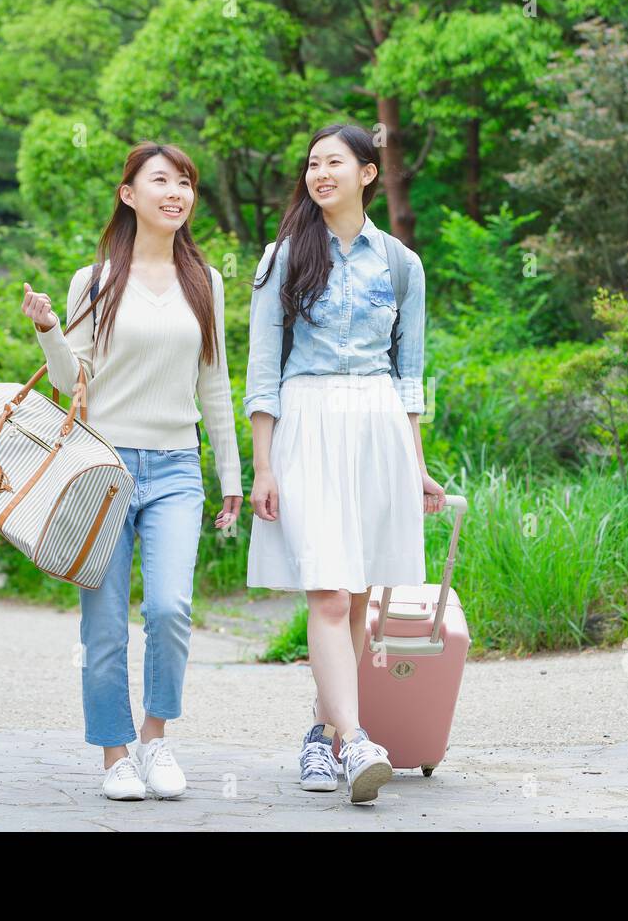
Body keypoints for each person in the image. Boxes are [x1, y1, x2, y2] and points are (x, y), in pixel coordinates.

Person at [21, 141, 244, 801]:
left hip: (177, 468)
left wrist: (230, 476)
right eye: (160, 181)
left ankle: (156, 739)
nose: (176, 192)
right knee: (106, 623)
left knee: (172, 609)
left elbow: (215, 384)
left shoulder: (206, 282)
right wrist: (48, 332)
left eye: (185, 182)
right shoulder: (94, 281)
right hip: (103, 470)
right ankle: (115, 754)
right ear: (129, 195)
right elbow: (73, 383)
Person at [244, 123, 446, 804]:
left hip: (378, 426)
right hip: (308, 424)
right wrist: (262, 467)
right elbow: (262, 372)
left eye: (333, 162)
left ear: (367, 172)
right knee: (327, 592)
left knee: (356, 596)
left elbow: (410, 375)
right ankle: (358, 740)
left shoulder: (402, 265)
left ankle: (322, 736)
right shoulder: (281, 259)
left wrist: (417, 464)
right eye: (310, 164)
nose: (318, 173)